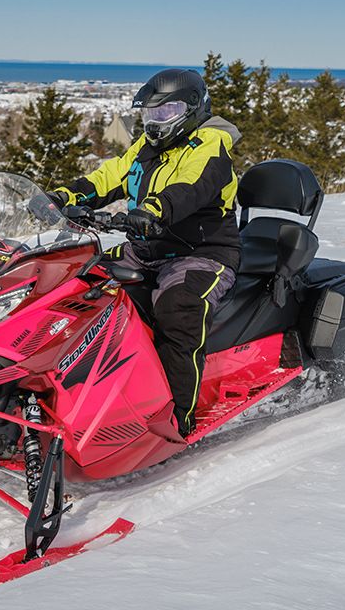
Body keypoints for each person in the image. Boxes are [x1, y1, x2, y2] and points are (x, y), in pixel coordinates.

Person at [47, 68, 240, 440]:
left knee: (177, 311)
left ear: (193, 109)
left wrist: (152, 211)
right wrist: (62, 197)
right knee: (79, 285)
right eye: (150, 114)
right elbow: (111, 176)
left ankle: (178, 418)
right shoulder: (147, 148)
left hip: (201, 253)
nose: (156, 122)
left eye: (166, 113)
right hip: (146, 248)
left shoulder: (209, 146)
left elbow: (190, 188)